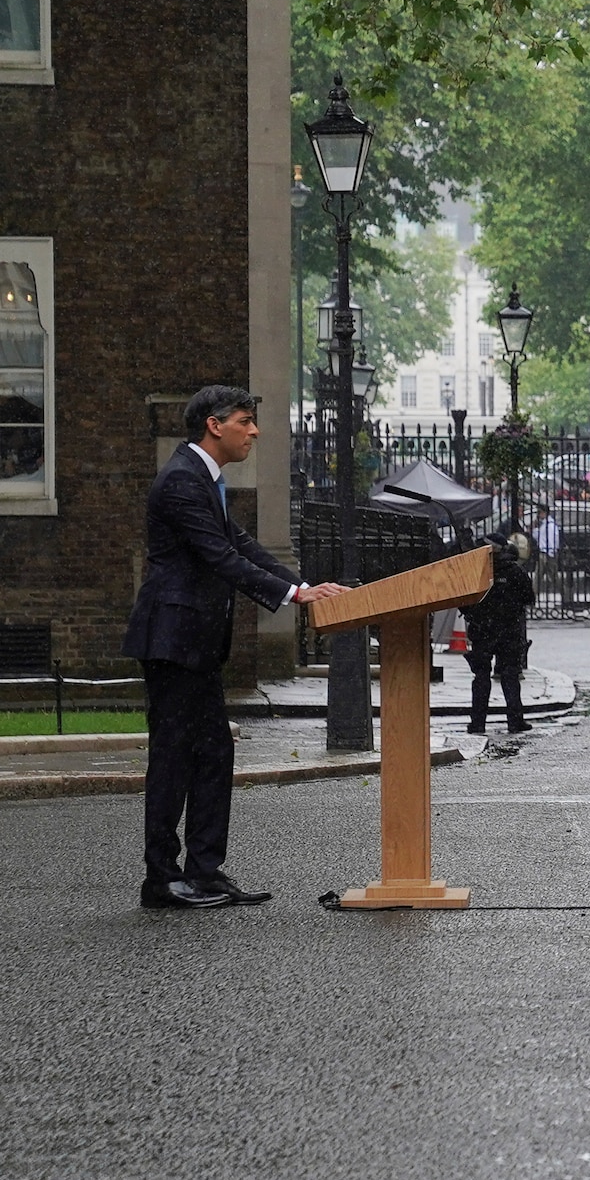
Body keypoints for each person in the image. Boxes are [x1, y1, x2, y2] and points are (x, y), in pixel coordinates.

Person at [121, 386, 346, 911]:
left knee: (214, 754)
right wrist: (294, 595)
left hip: (193, 641)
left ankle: (203, 871)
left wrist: (302, 586)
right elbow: (219, 555)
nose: (255, 431)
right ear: (214, 425)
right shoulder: (181, 480)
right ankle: (161, 878)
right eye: (246, 420)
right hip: (171, 639)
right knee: (174, 756)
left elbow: (242, 545)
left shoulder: (202, 477)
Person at [463, 531, 535, 736]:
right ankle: (515, 720)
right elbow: (528, 597)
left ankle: (477, 723)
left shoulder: (479, 571)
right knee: (510, 675)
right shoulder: (515, 571)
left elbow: (464, 602)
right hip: (509, 631)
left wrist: (477, 614)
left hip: (482, 630)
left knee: (481, 677)